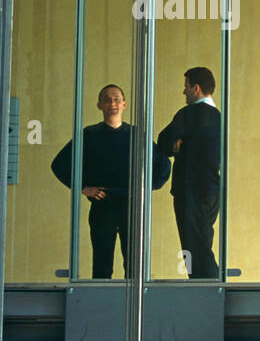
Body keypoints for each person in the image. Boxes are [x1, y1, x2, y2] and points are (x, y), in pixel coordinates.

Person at [51, 84, 170, 279]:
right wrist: (82, 187)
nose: (112, 103)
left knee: (134, 267)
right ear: (99, 105)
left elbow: (163, 165)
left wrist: (147, 187)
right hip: (102, 205)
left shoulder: (138, 135)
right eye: (106, 99)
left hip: (131, 206)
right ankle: (101, 307)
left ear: (124, 104)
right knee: (101, 264)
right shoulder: (89, 134)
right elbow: (59, 165)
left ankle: (133, 308)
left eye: (116, 99)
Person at [155, 66, 222, 279]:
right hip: (212, 191)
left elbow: (164, 142)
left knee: (194, 248)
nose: (183, 92)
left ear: (196, 88)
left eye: (186, 87)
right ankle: (207, 289)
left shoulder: (189, 114)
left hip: (190, 191)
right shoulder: (219, 117)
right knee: (202, 241)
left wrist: (177, 144)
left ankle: (208, 292)